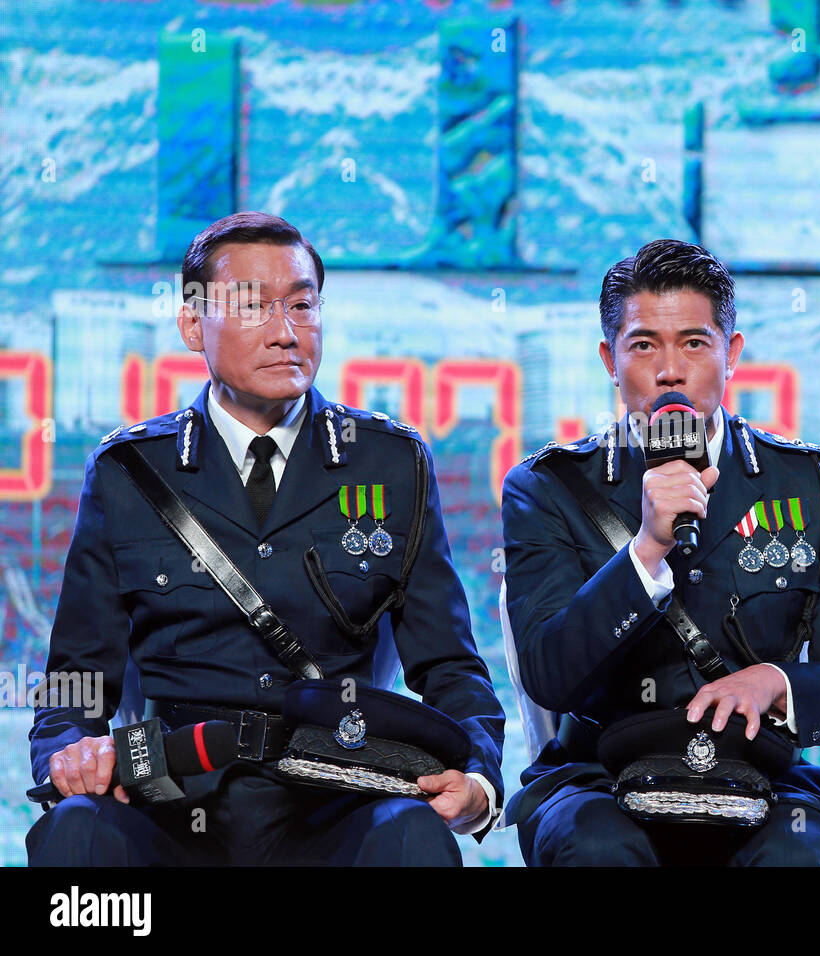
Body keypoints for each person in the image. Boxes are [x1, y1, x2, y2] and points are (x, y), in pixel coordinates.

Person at [27, 212, 505, 866]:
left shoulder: (392, 463)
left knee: (411, 839)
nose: (286, 333)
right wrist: (69, 750)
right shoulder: (129, 473)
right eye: (254, 306)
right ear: (193, 324)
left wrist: (478, 777)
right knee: (76, 834)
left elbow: (450, 666)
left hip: (337, 803)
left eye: (302, 306)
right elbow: (76, 679)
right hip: (171, 804)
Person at [500, 238, 820, 866]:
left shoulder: (810, 483)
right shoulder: (550, 488)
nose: (670, 370)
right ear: (610, 359)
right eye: (643, 346)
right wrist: (648, 547)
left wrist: (779, 682)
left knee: (799, 855)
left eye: (694, 343)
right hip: (598, 777)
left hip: (761, 777)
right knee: (599, 848)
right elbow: (549, 676)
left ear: (731, 353)